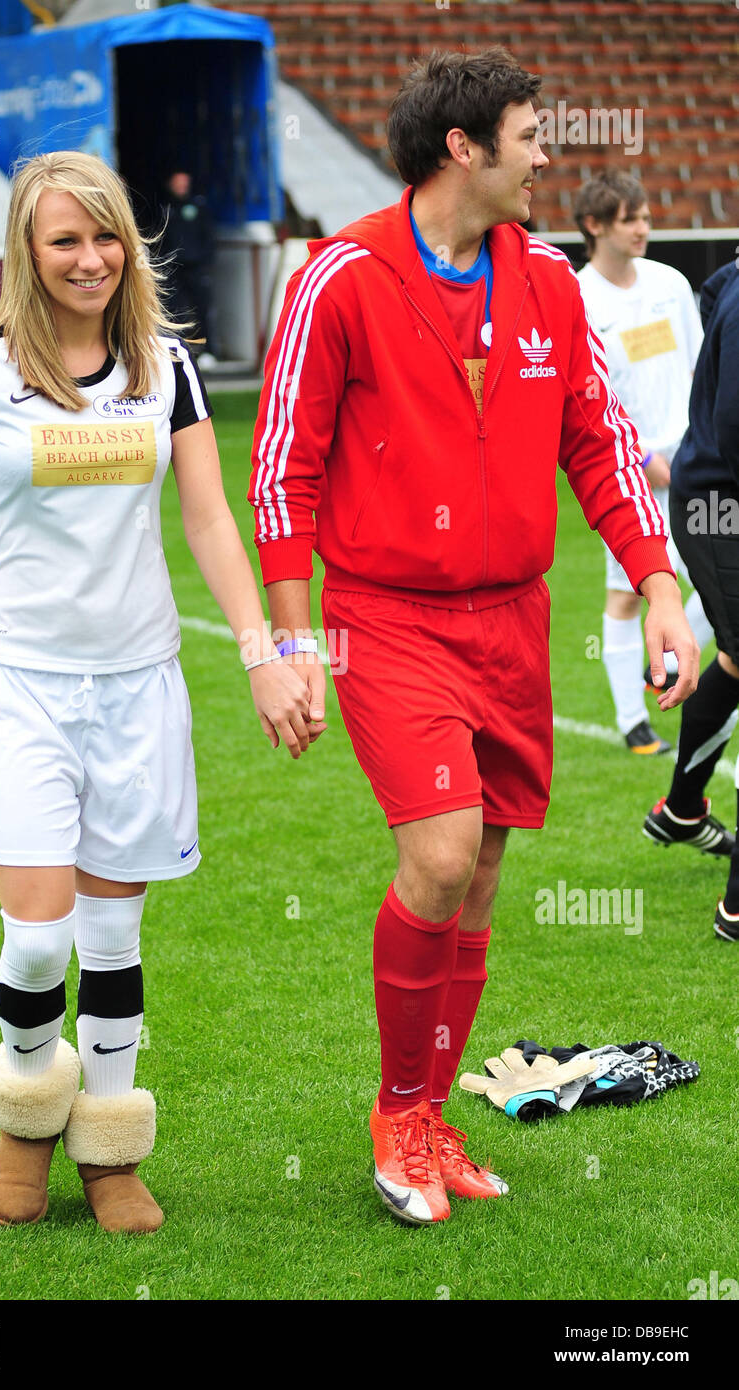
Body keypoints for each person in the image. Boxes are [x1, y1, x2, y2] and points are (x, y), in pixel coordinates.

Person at [248, 48, 698, 1226]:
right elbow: (282, 469)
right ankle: (395, 1114)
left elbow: (598, 442)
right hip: (385, 619)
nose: (544, 155)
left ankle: (432, 1113)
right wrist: (289, 640)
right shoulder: (340, 276)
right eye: (529, 135)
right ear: (463, 147)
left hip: (512, 620)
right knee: (441, 856)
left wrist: (656, 583)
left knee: (483, 873)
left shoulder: (544, 279)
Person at [0, 151, 312, 1234]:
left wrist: (261, 652)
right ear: (27, 253)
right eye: (64, 239)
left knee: (113, 940)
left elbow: (208, 518)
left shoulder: (166, 368)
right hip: (19, 689)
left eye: (105, 234)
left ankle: (110, 1149)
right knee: (37, 938)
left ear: (130, 242)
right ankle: (24, 1127)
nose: (89, 258)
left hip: (139, 688)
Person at [574, 170, 712, 755]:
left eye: (646, 217)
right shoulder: (578, 297)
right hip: (628, 468)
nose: (642, 229)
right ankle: (634, 722)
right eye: (629, 219)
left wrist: (704, 444)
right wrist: (642, 455)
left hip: (695, 460)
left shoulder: (670, 283)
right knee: (629, 594)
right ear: (593, 225)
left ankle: (661, 664)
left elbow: (700, 367)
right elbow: (588, 396)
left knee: (716, 579)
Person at [642, 257, 739, 936]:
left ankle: (681, 809)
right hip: (719, 507)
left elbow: (712, 292)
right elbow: (733, 422)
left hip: (712, 498)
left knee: (734, 661)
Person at [159, 171, 218, 368]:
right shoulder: (165, 208)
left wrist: (205, 261)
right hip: (174, 270)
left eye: (184, 183)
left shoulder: (198, 207)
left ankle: (208, 351)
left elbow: (208, 236)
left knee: (202, 309)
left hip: (196, 268)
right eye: (177, 183)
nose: (181, 187)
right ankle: (176, 352)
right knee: (173, 311)